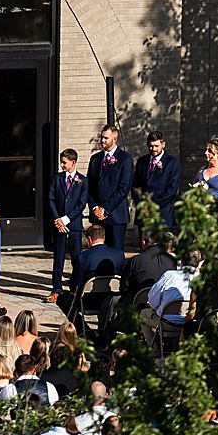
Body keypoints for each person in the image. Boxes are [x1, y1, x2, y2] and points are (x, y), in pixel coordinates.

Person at [46, 148, 88, 303]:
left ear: (73, 162)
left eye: (64, 163)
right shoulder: (56, 179)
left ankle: (76, 288)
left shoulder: (83, 181)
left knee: (76, 258)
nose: (62, 165)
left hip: (74, 225)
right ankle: (56, 289)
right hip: (59, 225)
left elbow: (81, 203)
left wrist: (66, 219)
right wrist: (57, 220)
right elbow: (50, 199)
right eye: (61, 162)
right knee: (58, 258)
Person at [62, 225, 125, 329]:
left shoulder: (84, 256)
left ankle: (84, 329)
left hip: (89, 301)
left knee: (62, 298)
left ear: (89, 239)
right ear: (104, 237)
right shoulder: (118, 254)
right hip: (113, 300)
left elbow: (74, 284)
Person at [87, 125, 134, 251]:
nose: (102, 140)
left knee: (115, 252)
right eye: (101, 137)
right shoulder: (95, 159)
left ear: (115, 139)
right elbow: (89, 187)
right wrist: (95, 207)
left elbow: (123, 188)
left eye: (105, 138)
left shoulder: (125, 159)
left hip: (116, 215)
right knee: (97, 252)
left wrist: (105, 209)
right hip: (97, 216)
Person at [133, 130, 182, 233]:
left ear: (163, 144)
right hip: (144, 213)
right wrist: (142, 204)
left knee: (163, 247)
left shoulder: (172, 163)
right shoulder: (142, 161)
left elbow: (172, 190)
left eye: (156, 146)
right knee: (144, 247)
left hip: (162, 213)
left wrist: (153, 206)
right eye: (151, 146)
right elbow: (135, 186)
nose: (153, 149)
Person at [121, 230, 178, 304]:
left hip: (137, 304)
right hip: (164, 304)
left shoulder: (135, 260)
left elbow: (124, 286)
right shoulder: (172, 260)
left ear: (144, 242)